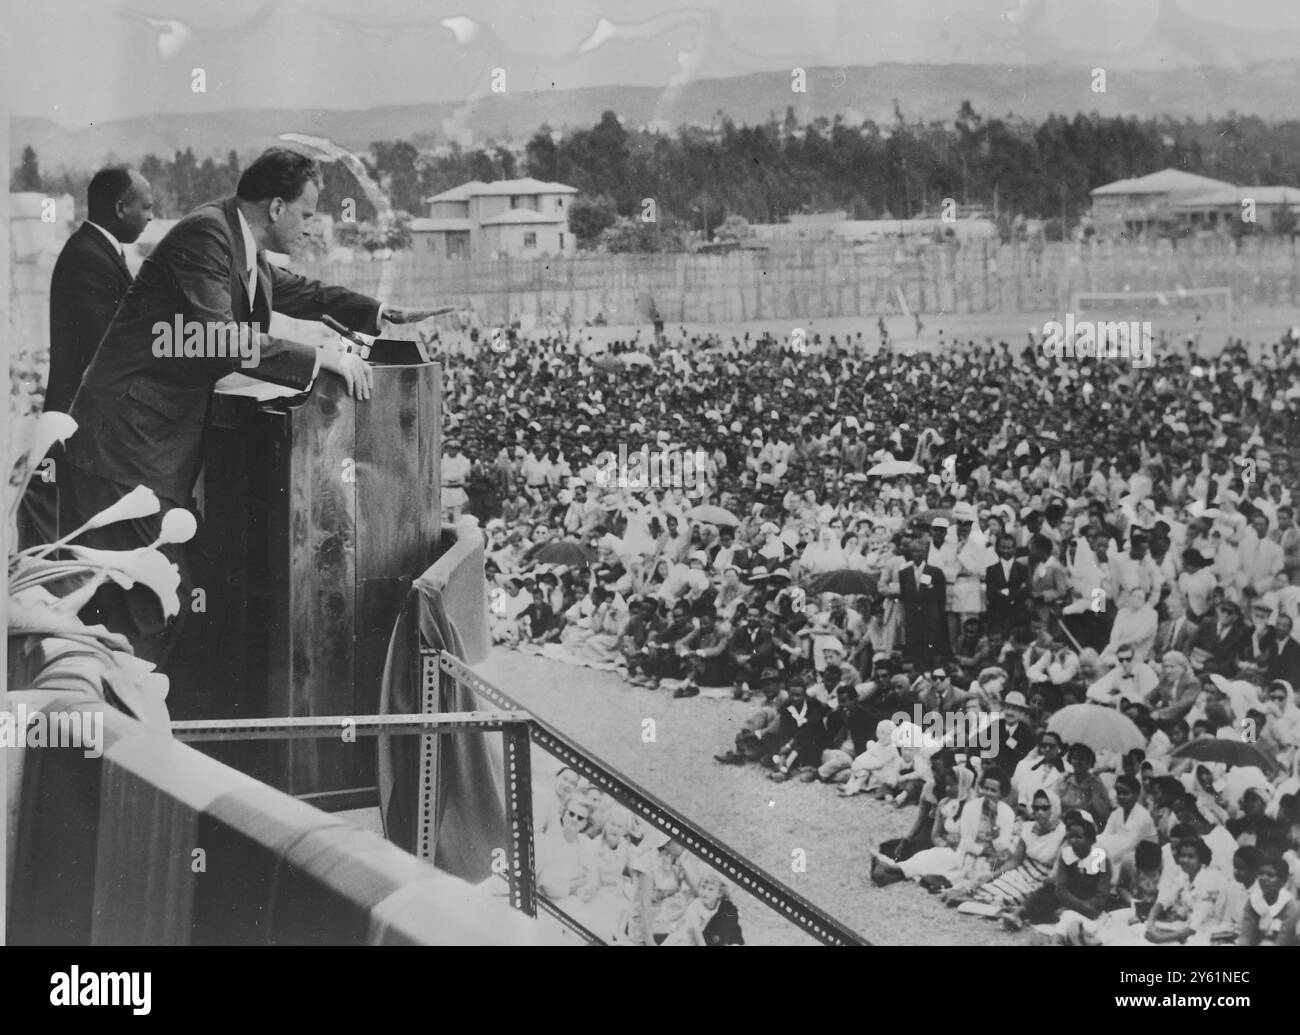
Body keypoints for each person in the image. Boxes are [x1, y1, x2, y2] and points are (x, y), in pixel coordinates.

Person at [60, 148, 444, 666]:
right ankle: (122, 733)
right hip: (123, 447)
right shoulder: (206, 235)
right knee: (144, 602)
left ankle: (131, 724)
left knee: (151, 599)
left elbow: (289, 290)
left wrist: (375, 311)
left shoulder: (235, 239)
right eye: (307, 214)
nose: (310, 227)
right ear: (278, 207)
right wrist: (319, 359)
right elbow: (217, 338)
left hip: (146, 446)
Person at [21, 166, 154, 548]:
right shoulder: (89, 257)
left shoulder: (96, 251)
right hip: (82, 423)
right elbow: (107, 346)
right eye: (145, 207)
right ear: (119, 208)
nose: (150, 216)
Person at [1238, 856, 1299, 946]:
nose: (1264, 878)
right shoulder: (1254, 900)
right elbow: (1246, 934)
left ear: (1282, 881)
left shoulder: (1290, 906)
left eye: (1270, 875)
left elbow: (1284, 940)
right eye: (1261, 874)